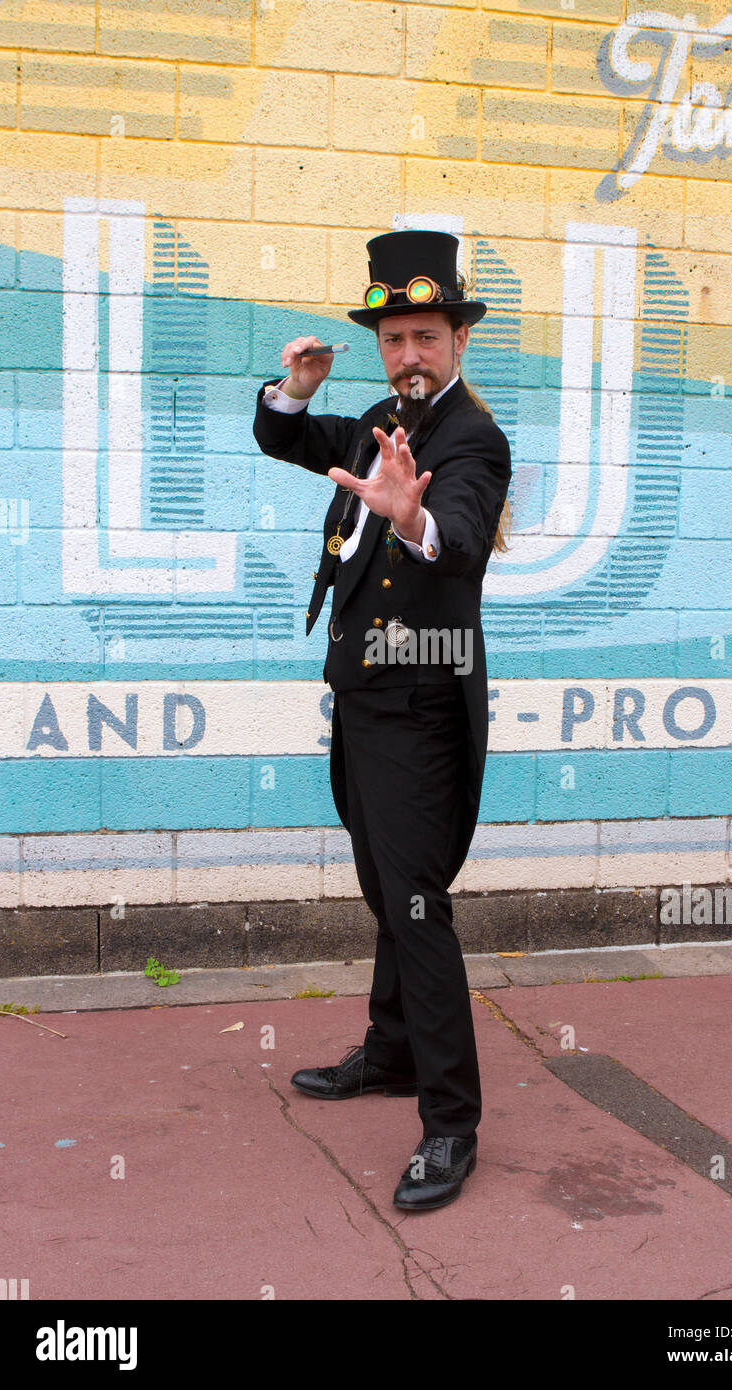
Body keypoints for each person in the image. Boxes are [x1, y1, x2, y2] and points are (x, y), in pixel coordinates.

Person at [252, 229, 512, 1211]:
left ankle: (451, 1123)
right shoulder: (372, 419)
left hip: (419, 705)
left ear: (457, 340)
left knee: (415, 905)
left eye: (426, 337)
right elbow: (288, 440)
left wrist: (413, 517)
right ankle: (392, 1051)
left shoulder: (471, 440)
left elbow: (462, 539)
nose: (409, 354)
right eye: (394, 338)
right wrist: (295, 392)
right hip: (362, 695)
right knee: (383, 886)